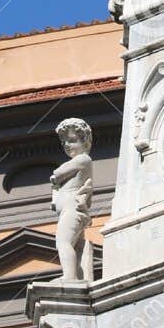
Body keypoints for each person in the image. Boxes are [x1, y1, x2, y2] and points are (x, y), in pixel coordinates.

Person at [51, 118, 94, 283]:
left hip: (72, 209)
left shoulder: (83, 159)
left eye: (72, 140)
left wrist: (55, 179)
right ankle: (75, 275)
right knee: (73, 245)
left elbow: (58, 173)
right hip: (67, 209)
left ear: (85, 142)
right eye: (64, 142)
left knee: (63, 241)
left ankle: (69, 277)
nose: (67, 145)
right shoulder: (78, 161)